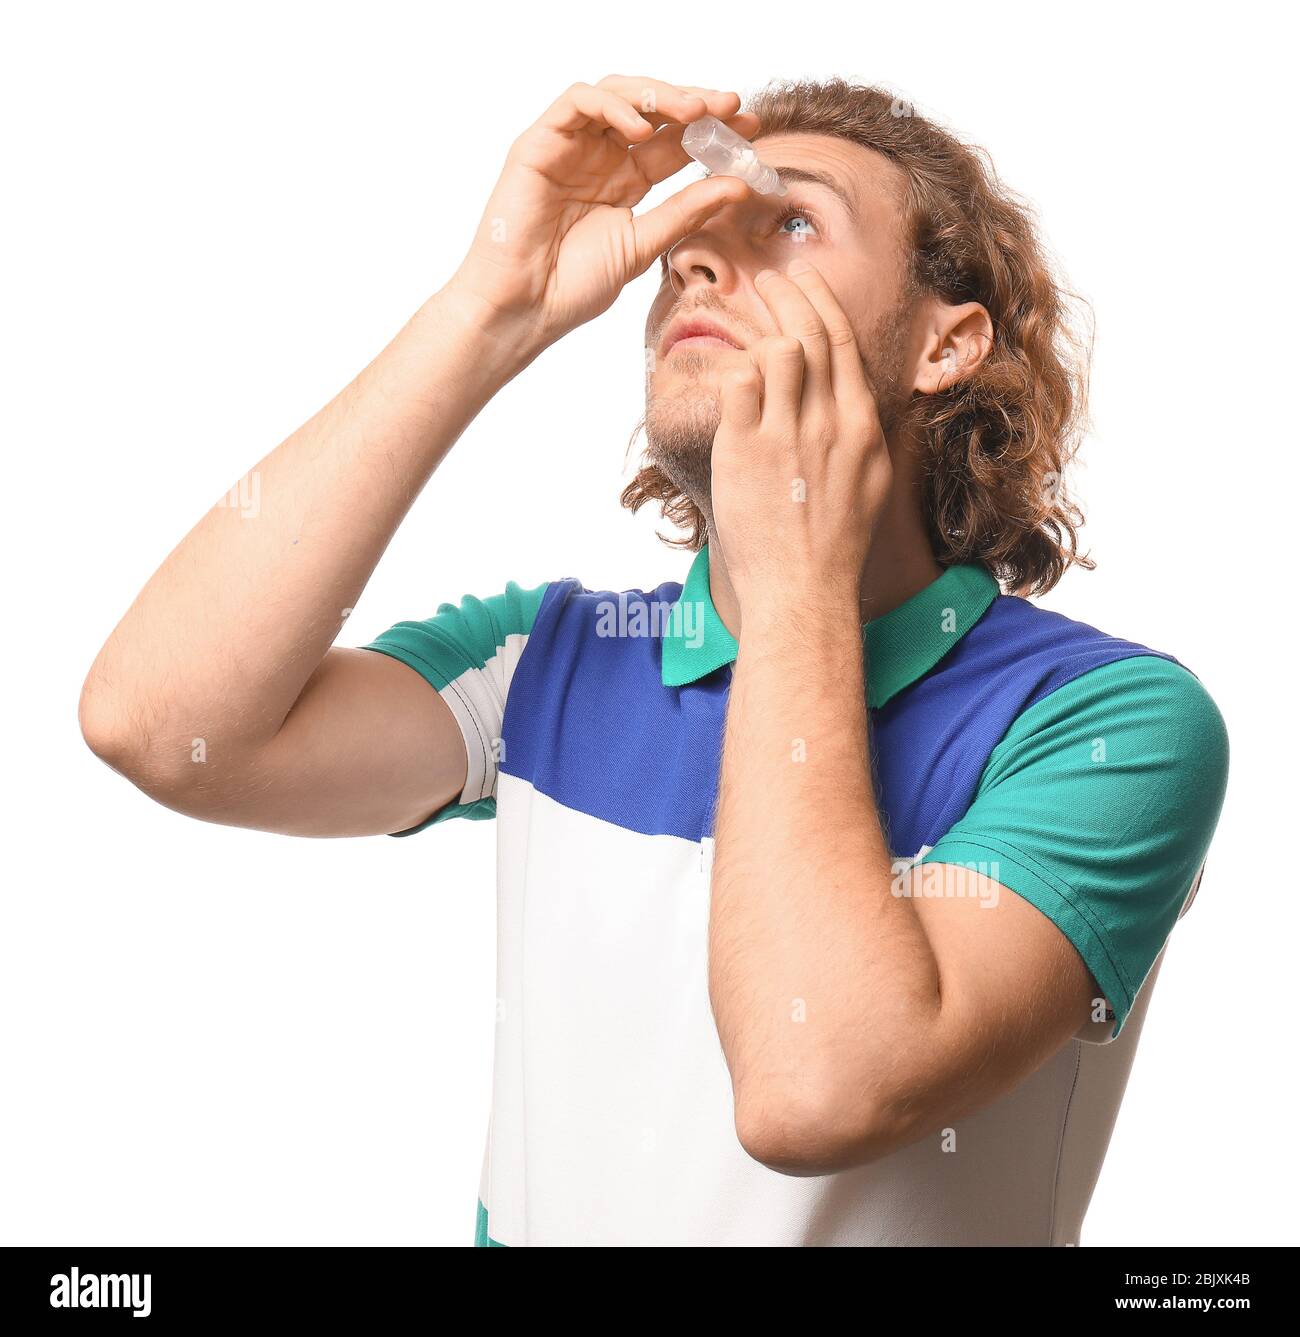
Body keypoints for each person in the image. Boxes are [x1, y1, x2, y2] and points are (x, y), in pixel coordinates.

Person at [79, 76, 1229, 1246]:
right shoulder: (546, 661)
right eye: (689, 231)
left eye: (785, 220)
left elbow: (815, 1084)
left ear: (947, 342)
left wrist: (793, 584)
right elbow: (164, 727)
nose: (695, 259)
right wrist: (493, 305)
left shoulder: (1107, 722)